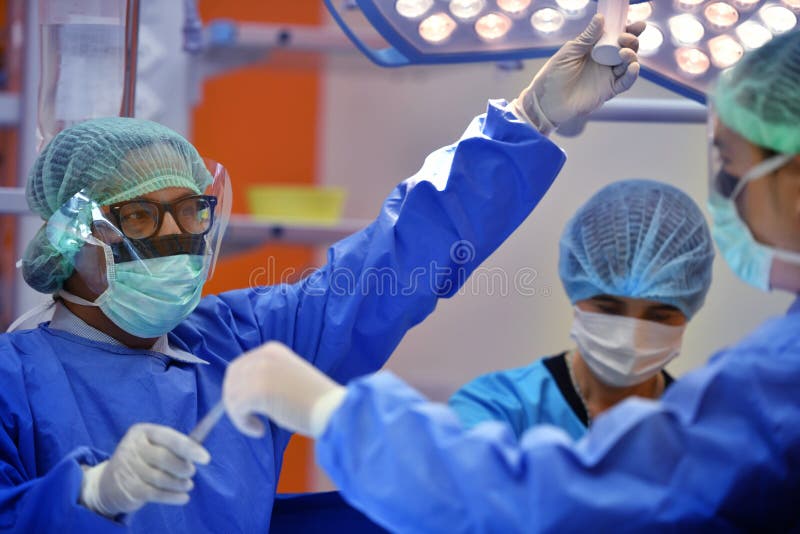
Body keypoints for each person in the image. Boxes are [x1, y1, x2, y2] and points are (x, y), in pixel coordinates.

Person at [0, 15, 644, 532]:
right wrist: (88, 492)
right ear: (70, 236)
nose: (177, 238)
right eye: (141, 217)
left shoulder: (237, 343)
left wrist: (531, 117)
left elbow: (398, 256)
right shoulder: (15, 383)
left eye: (190, 210)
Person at [222, 31, 800, 532]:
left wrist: (339, 419)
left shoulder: (776, 380)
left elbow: (544, 502)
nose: (726, 192)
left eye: (729, 163)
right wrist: (528, 119)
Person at [449, 179, 714, 440]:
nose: (630, 339)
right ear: (578, 290)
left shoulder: (702, 433)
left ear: (689, 306)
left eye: (659, 316)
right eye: (609, 309)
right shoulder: (496, 410)